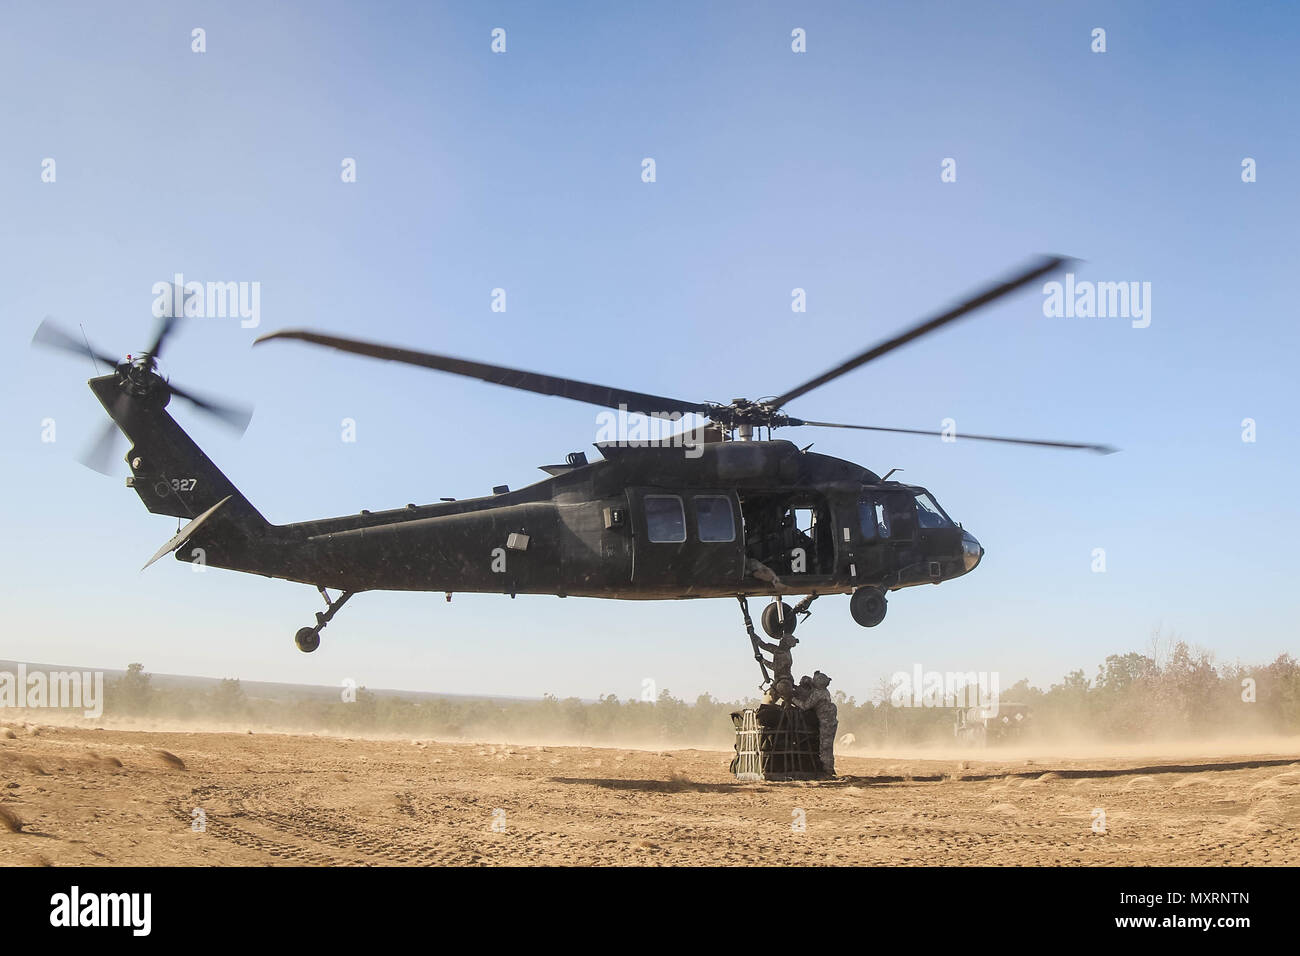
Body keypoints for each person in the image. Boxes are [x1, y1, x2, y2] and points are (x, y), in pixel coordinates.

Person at [794, 670, 838, 775]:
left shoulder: (818, 693)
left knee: (825, 747)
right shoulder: (824, 691)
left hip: (826, 723)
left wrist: (793, 699)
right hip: (830, 722)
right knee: (827, 746)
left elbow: (805, 706)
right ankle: (828, 769)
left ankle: (828, 771)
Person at [758, 633, 798, 704]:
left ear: (785, 644)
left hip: (783, 684)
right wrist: (754, 636)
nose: (780, 642)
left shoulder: (784, 655)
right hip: (781, 681)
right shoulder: (779, 650)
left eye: (782, 641)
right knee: (766, 703)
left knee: (767, 704)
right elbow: (764, 645)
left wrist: (762, 660)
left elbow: (775, 667)